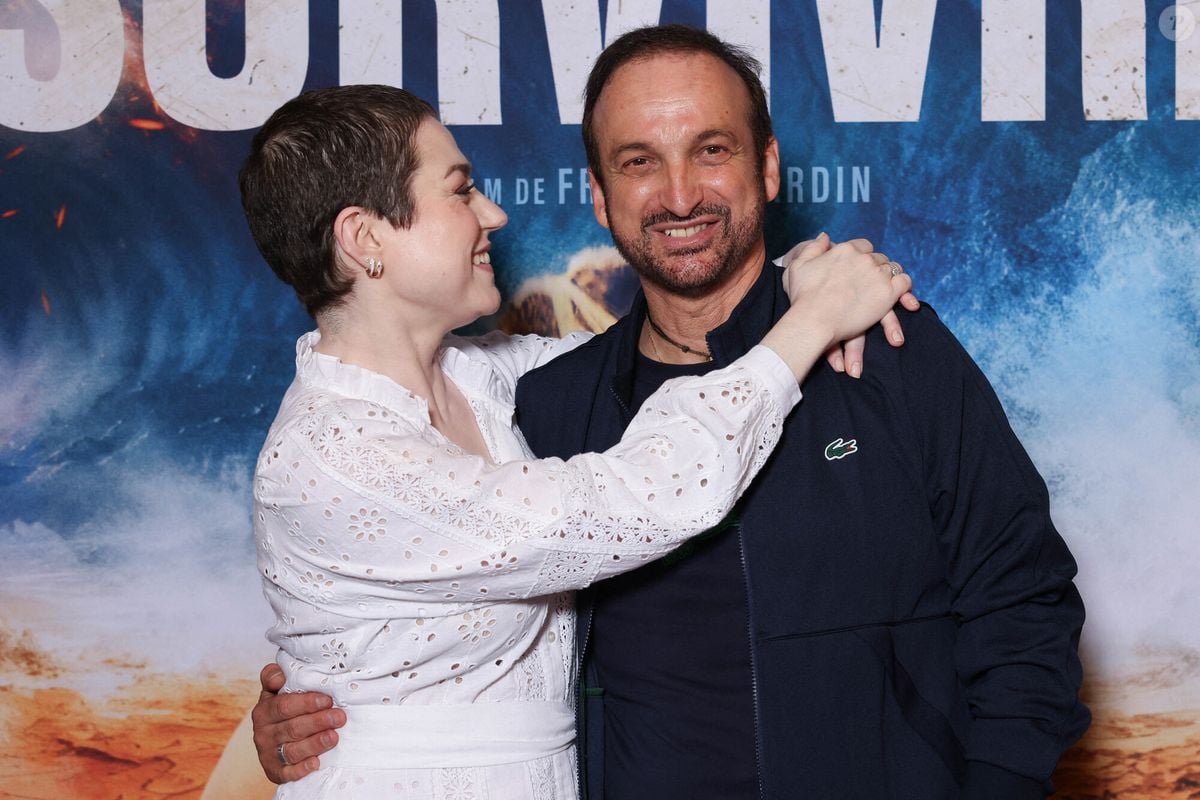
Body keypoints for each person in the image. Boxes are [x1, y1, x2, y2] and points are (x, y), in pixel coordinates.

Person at [251, 25, 1089, 799]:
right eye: (640, 161)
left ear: (767, 167)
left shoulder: (885, 345)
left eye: (712, 150)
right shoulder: (550, 403)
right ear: (599, 192)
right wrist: (332, 707)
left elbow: (1024, 602)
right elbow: (612, 506)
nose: (680, 193)